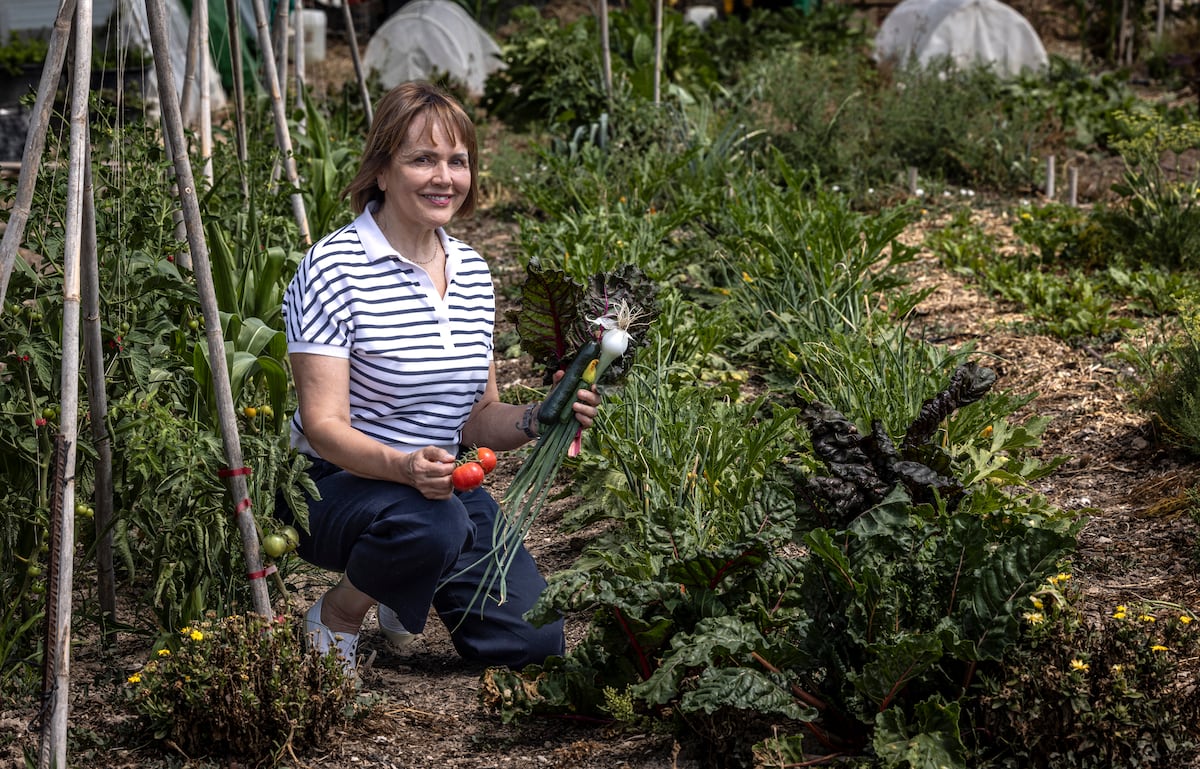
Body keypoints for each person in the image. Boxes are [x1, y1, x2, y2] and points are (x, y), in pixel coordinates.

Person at [278, 81, 600, 673]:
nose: (444, 178)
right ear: (381, 171)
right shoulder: (333, 268)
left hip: (441, 487)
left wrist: (539, 416)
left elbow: (477, 417)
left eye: (458, 161)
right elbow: (323, 426)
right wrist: (403, 467)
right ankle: (340, 613)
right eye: (422, 159)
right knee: (433, 524)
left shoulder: (472, 272)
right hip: (333, 487)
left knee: (532, 645)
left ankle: (403, 581)